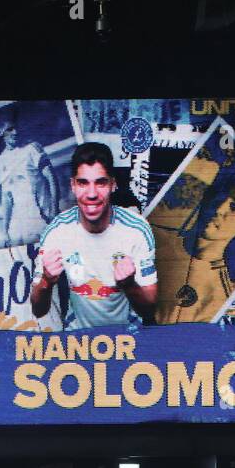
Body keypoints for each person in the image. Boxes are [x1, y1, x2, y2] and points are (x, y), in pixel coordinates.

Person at [31, 141, 158, 329]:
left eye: (100, 183)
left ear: (113, 185)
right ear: (72, 185)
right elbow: (38, 310)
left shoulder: (137, 230)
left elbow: (149, 310)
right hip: (79, 342)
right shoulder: (56, 232)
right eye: (83, 183)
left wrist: (129, 284)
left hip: (130, 340)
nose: (91, 194)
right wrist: (46, 281)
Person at [154, 160, 235, 325]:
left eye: (234, 206)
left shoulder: (222, 298)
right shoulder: (153, 235)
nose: (220, 208)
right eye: (221, 195)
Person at [0, 120, 57, 247]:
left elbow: (52, 178)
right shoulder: (1, 160)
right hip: (21, 224)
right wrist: (5, 230)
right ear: (1, 134)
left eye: (16, 128)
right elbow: (6, 197)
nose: (15, 132)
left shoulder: (32, 148)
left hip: (43, 218)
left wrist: (54, 212)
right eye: (10, 129)